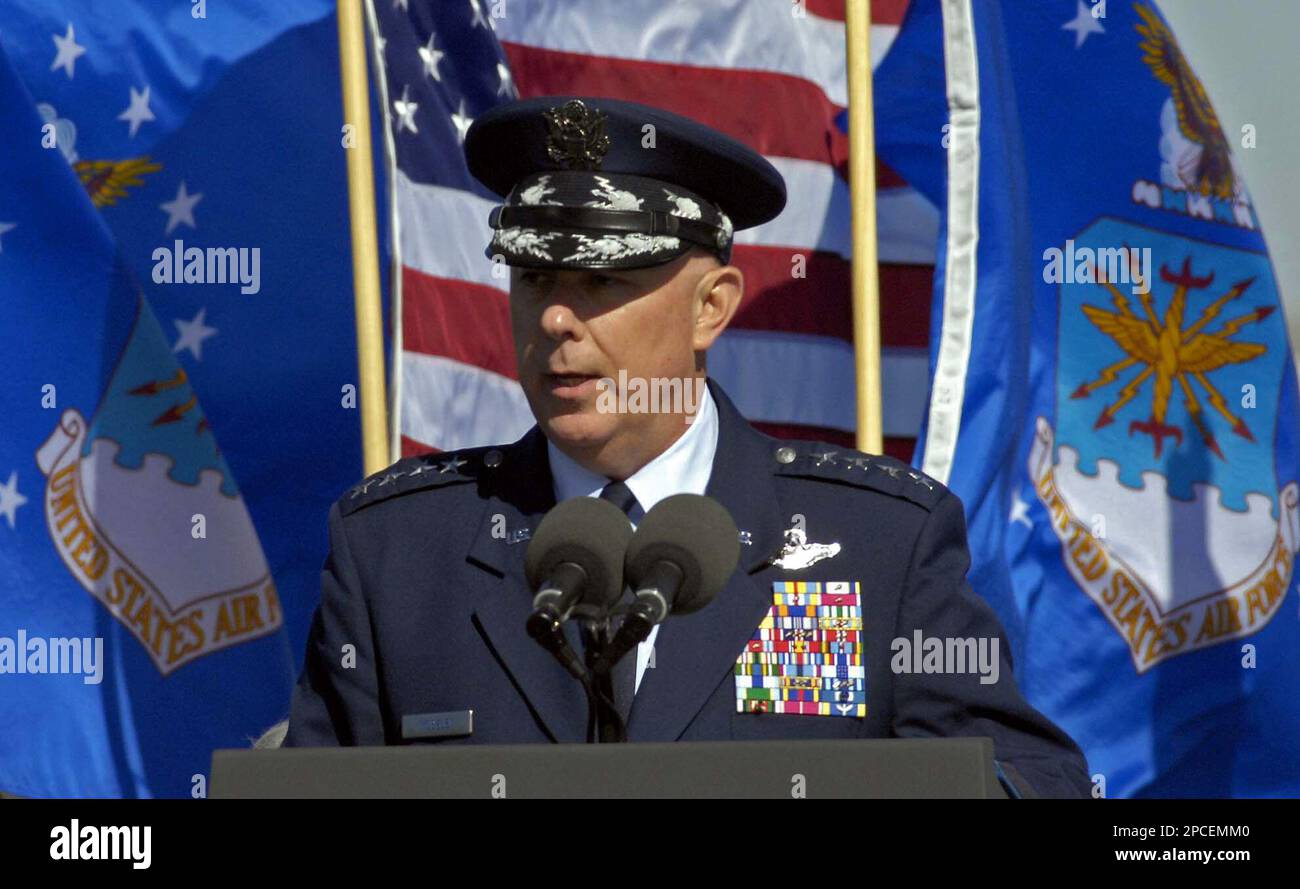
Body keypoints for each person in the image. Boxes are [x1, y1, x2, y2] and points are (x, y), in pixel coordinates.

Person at [284, 95, 1091, 798]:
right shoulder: (395, 552)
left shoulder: (878, 546)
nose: (557, 320)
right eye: (533, 278)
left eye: (601, 282)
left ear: (712, 306)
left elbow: (1035, 782)